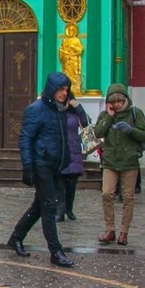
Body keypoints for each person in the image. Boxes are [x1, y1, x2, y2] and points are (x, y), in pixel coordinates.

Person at [7, 72, 75, 267]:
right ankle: (55, 251)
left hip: (54, 163)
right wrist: (27, 165)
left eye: (66, 89)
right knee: (49, 206)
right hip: (40, 163)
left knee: (39, 205)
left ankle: (16, 237)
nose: (64, 92)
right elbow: (25, 138)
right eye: (61, 89)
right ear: (52, 89)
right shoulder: (36, 109)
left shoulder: (60, 109)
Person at [93, 83, 145, 246]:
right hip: (110, 161)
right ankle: (110, 229)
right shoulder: (105, 114)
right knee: (107, 194)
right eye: (114, 102)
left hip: (129, 161)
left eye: (120, 101)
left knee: (128, 197)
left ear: (125, 100)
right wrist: (109, 117)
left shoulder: (135, 113)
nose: (117, 105)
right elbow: (98, 133)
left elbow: (144, 134)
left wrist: (130, 130)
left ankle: (124, 231)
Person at [56, 94, 90, 222]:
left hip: (73, 151)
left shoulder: (75, 113)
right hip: (59, 151)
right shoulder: (55, 112)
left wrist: (78, 107)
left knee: (71, 184)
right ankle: (60, 211)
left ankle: (68, 209)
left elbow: (86, 123)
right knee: (59, 183)